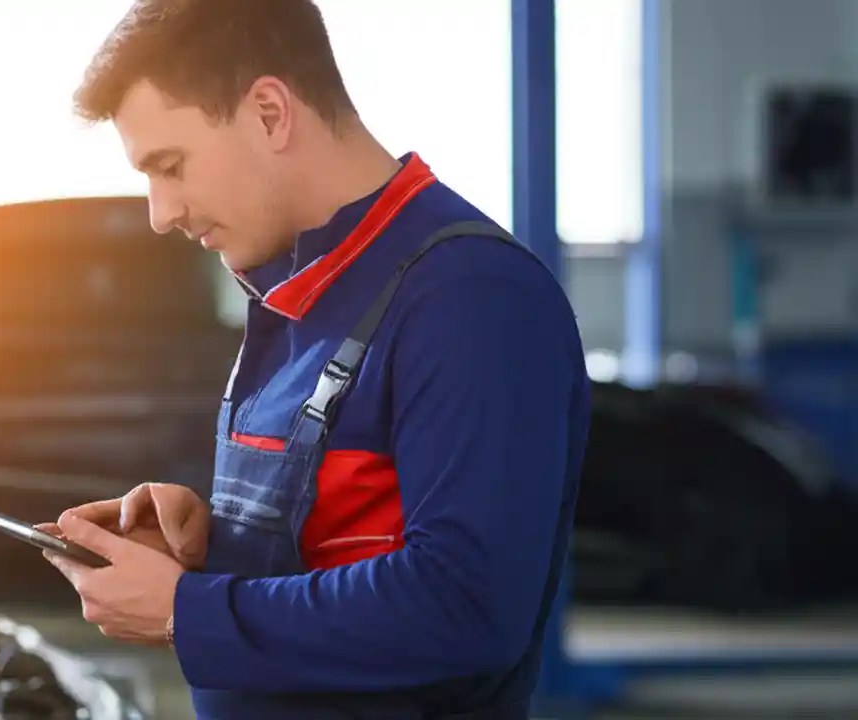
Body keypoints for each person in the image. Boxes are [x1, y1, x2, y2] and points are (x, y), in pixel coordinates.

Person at [36, 1, 592, 717]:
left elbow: (465, 603)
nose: (160, 211)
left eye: (170, 166)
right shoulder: (291, 290)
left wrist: (189, 611)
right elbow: (340, 546)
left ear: (270, 112)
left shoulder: (471, 298)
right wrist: (216, 547)